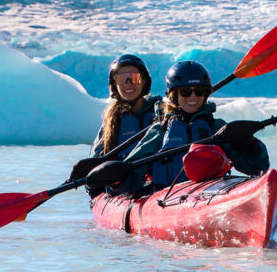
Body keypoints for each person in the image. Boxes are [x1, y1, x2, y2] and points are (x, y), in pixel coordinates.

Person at [110, 60, 268, 194]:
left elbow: (257, 167)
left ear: (205, 94)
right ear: (174, 95)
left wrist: (250, 145)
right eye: (185, 92)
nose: (193, 97)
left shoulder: (217, 127)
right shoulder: (161, 130)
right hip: (169, 197)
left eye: (199, 92)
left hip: (211, 194)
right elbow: (132, 171)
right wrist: (116, 178)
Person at [90, 54, 160, 158]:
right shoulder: (111, 121)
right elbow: (95, 159)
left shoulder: (160, 112)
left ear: (144, 81)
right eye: (122, 79)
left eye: (134, 78)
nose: (128, 83)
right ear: (114, 84)